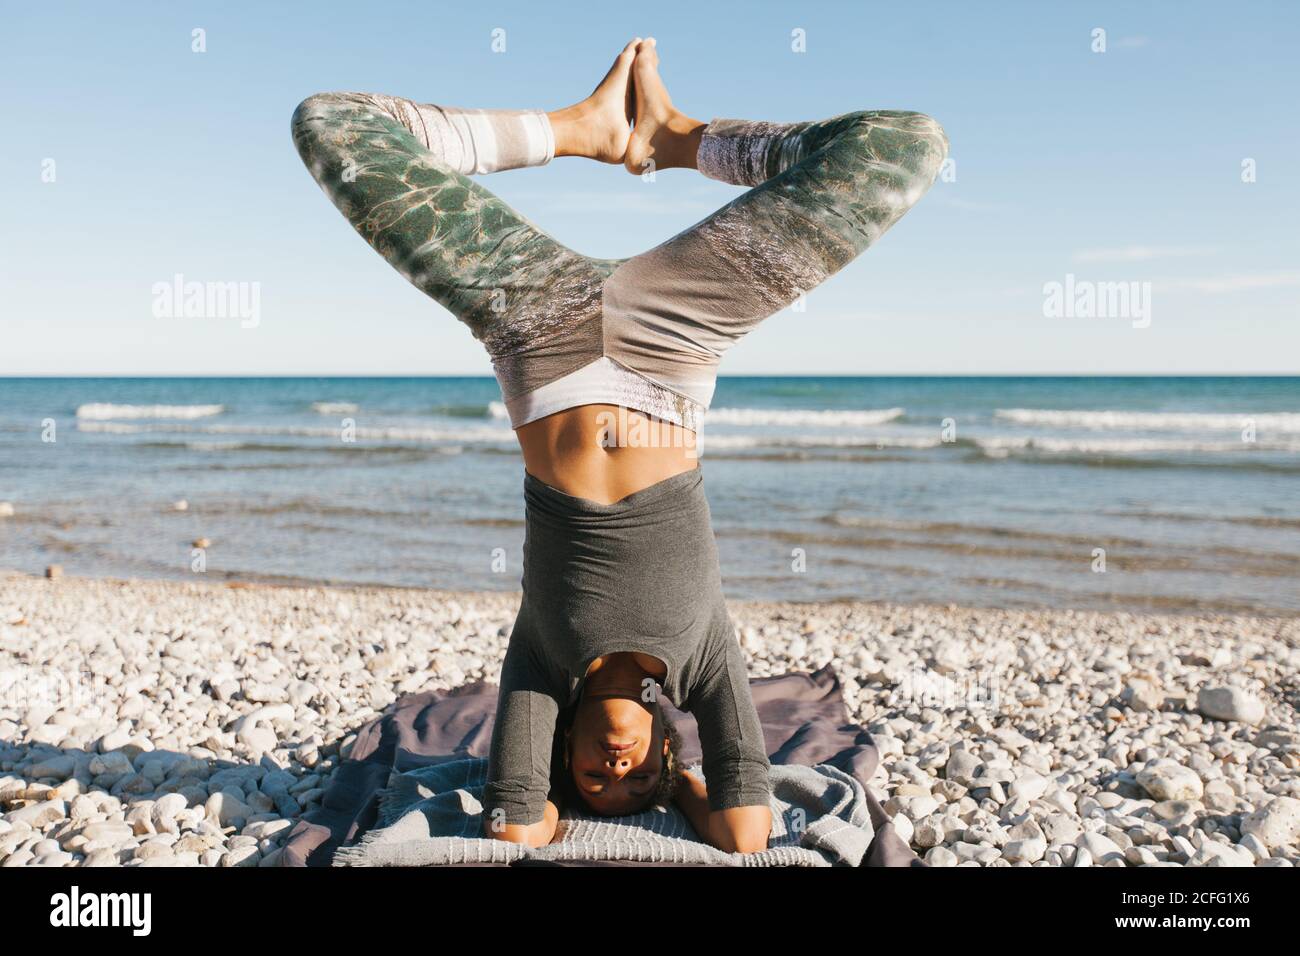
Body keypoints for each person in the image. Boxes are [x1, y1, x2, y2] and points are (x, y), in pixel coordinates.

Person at [291, 38, 948, 853]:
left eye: (594, 780)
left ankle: (575, 129)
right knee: (906, 145)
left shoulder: (540, 658)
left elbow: (519, 825)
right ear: (665, 750)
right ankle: (682, 139)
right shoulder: (704, 655)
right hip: (677, 332)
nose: (615, 769)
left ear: (561, 749)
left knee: (332, 126)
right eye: (638, 779)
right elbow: (746, 835)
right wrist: (688, 789)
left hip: (535, 324)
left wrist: (552, 802)